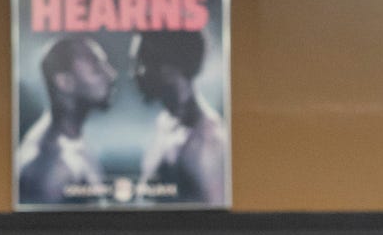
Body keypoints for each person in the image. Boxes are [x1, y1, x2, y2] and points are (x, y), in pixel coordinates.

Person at [16, 36, 118, 205]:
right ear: (64, 82)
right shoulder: (49, 167)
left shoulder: (71, 142)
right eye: (96, 69)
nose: (112, 75)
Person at [130, 30, 228, 205]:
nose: (135, 74)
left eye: (141, 63)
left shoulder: (207, 143)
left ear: (169, 70)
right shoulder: (166, 123)